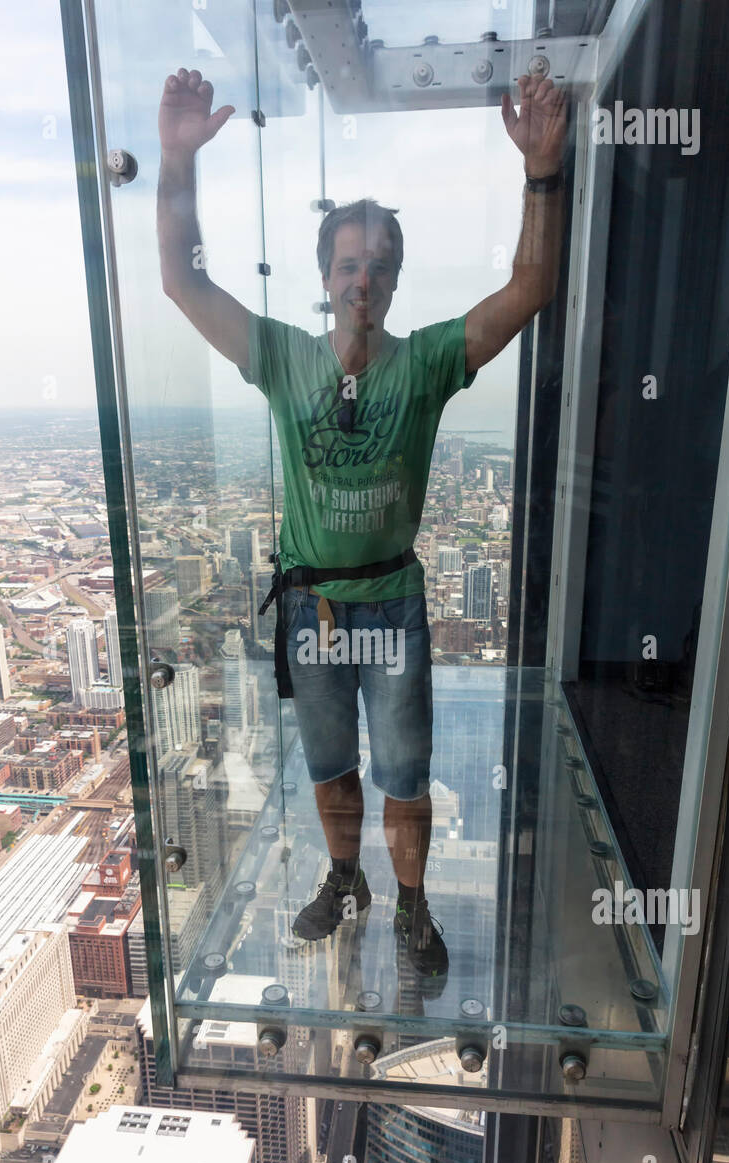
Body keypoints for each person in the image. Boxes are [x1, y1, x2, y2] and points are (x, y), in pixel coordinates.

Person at [158, 67, 566, 983]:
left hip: (389, 603)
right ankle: (349, 884)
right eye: (349, 265)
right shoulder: (285, 359)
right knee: (332, 771)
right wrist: (178, 160)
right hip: (314, 611)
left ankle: (410, 906)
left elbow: (531, 285)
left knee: (406, 783)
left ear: (394, 280)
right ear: (325, 277)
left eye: (379, 267)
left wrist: (541, 174)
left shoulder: (423, 364)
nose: (364, 280)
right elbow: (184, 284)